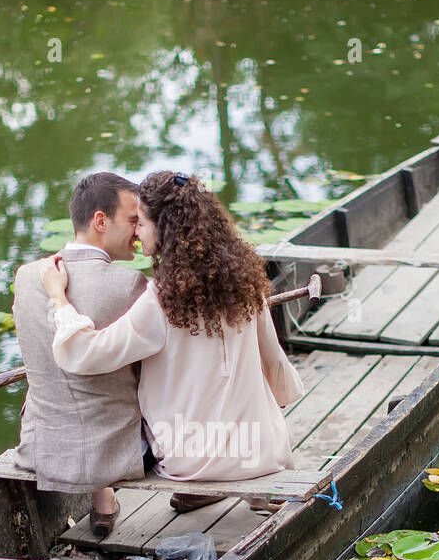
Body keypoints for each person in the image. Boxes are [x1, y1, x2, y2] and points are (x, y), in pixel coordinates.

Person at [39, 170, 304, 519]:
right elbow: (274, 363)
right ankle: (247, 488)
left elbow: (88, 353)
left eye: (143, 223)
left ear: (166, 230)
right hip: (262, 451)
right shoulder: (247, 285)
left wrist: (59, 298)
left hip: (191, 460)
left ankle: (193, 492)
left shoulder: (161, 299)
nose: (136, 231)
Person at [11, 172, 146, 538]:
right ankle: (185, 493)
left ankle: (104, 503)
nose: (139, 231)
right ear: (101, 221)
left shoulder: (26, 277)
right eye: (133, 220)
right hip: (115, 453)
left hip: (41, 448)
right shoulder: (132, 285)